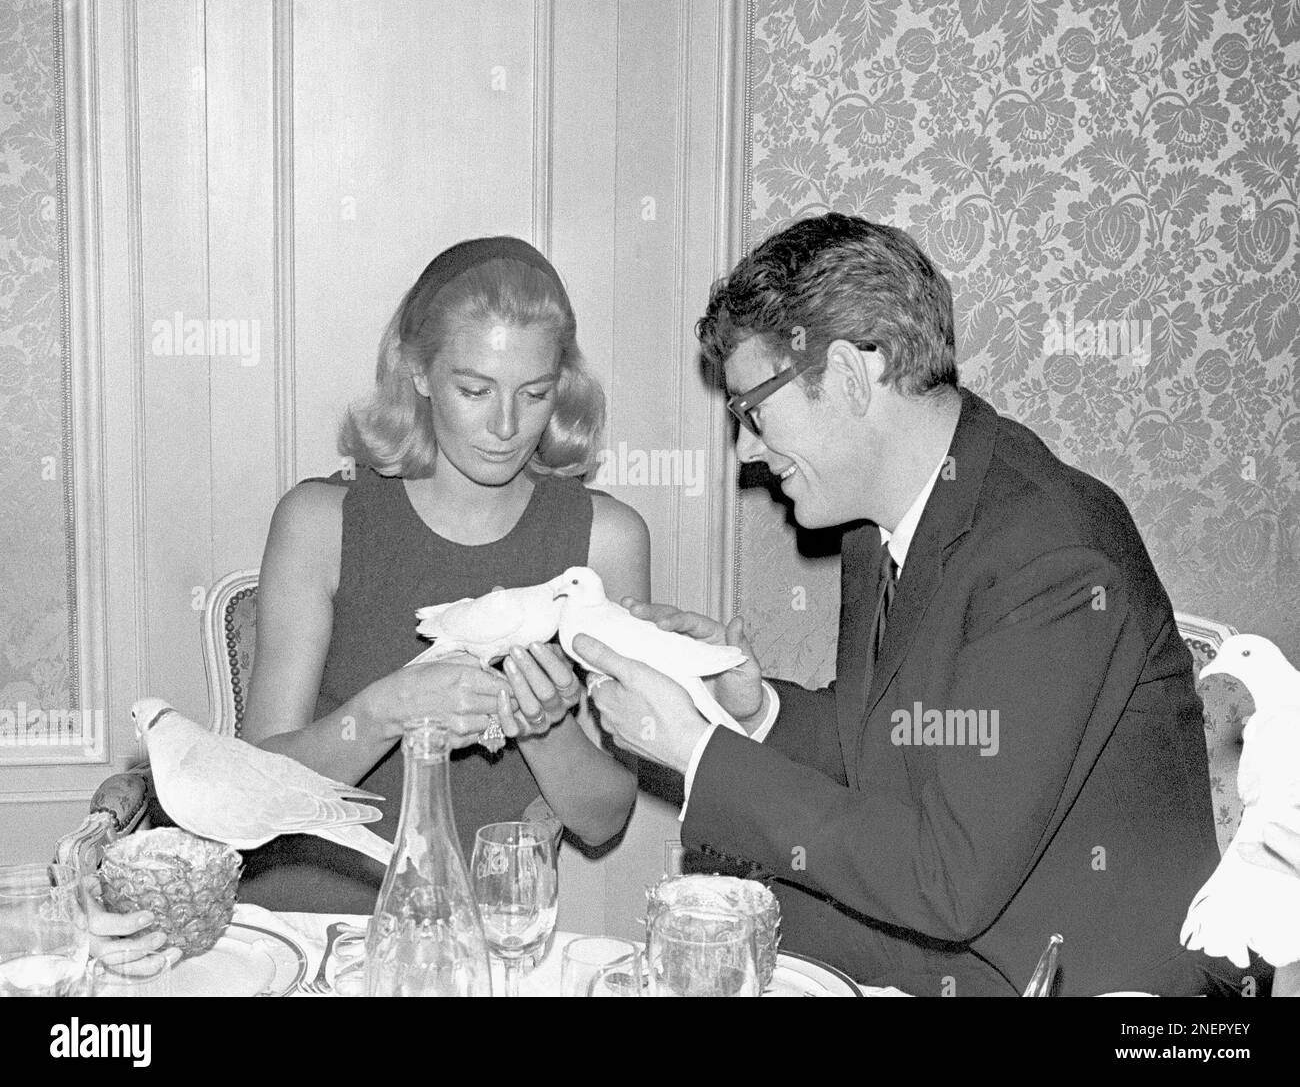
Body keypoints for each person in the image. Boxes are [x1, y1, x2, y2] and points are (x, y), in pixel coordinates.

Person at [576, 213, 1228, 996]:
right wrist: (749, 712)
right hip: (978, 938)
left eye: (752, 410)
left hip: (1087, 980)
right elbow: (902, 746)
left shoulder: (1052, 555)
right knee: (690, 948)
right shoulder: (888, 518)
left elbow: (946, 879)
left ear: (851, 376)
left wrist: (698, 754)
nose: (746, 449)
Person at [237, 237, 645, 913]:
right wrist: (387, 709)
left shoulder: (605, 540)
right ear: (419, 373)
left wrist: (543, 725)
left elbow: (603, 818)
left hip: (483, 935)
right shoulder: (320, 521)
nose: (508, 425)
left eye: (536, 393)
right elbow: (256, 794)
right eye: (474, 390)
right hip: (315, 924)